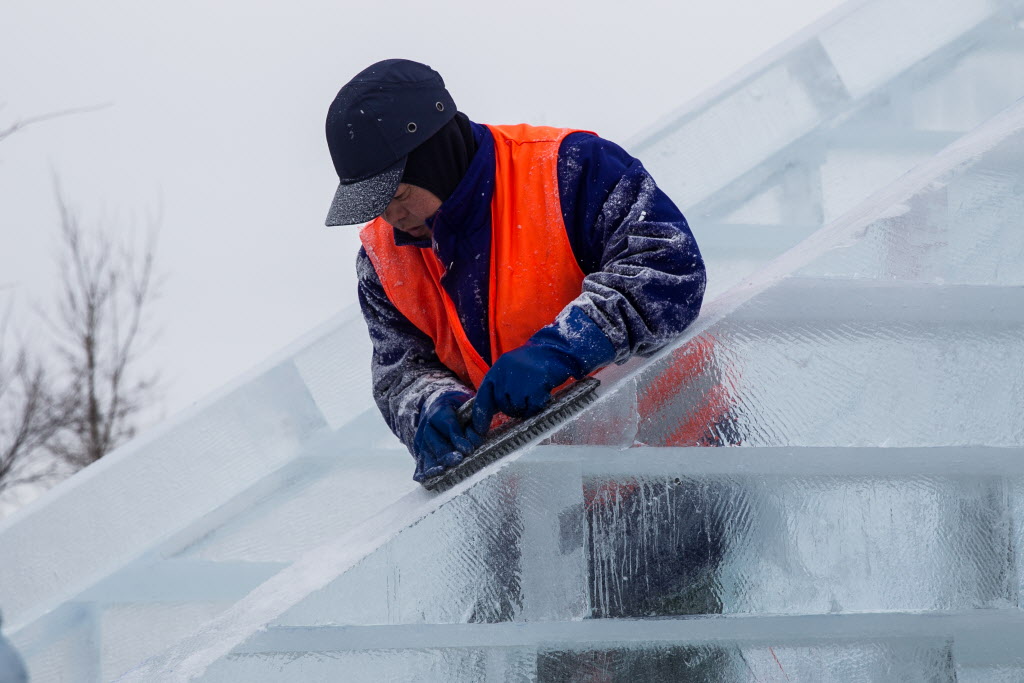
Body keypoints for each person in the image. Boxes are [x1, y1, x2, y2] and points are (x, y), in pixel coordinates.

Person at [325, 59, 706, 482]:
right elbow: (400, 375)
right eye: (376, 204)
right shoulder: (380, 262)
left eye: (399, 194)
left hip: (683, 458)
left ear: (434, 156)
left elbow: (668, 268)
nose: (391, 216)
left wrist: (564, 348)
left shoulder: (570, 167)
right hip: (542, 504)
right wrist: (430, 404)